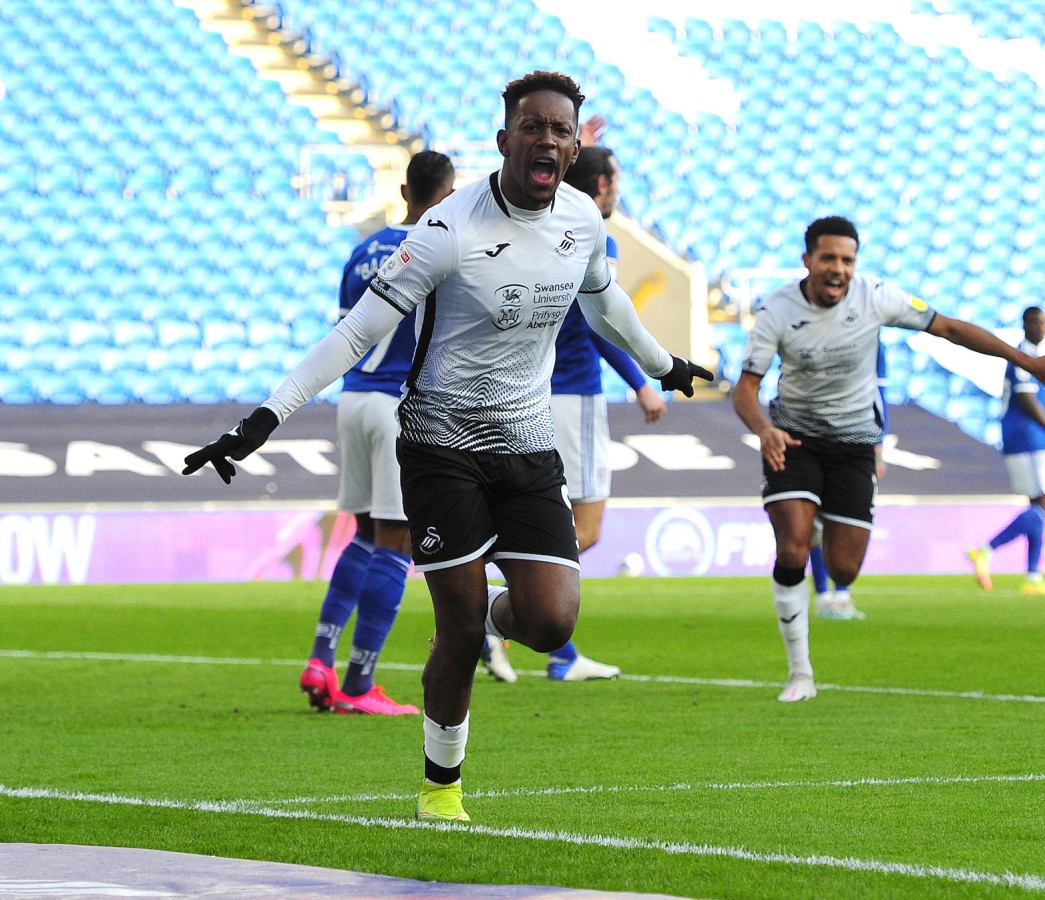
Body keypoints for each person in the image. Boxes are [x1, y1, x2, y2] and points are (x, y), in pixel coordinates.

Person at [183, 72, 713, 822]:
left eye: (561, 130)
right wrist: (265, 419)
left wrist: (664, 365)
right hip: (441, 445)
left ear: (573, 147)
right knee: (457, 631)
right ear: (504, 141)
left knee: (552, 621)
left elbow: (604, 300)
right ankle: (442, 789)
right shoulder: (446, 229)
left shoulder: (581, 221)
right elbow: (356, 332)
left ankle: (484, 618)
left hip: (528, 444)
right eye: (533, 127)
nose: (548, 139)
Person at [733, 215, 1045, 702]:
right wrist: (764, 430)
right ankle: (800, 672)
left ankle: (819, 518)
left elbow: (948, 327)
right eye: (828, 258)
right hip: (794, 439)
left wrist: (1027, 361)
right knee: (792, 549)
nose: (838, 268)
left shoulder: (876, 296)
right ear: (807, 260)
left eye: (847, 260)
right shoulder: (777, 309)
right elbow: (745, 389)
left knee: (845, 569)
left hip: (855, 444)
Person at [298, 150, 456, 716]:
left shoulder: (362, 251)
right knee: (398, 540)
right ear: (444, 197)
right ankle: (360, 683)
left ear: (405, 190)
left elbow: (349, 327)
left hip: (354, 397)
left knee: (364, 533)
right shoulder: (438, 248)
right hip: (397, 406)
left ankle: (322, 658)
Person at [532, 144, 666, 681]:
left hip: (530, 393)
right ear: (603, 186)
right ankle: (498, 609)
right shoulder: (595, 237)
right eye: (617, 181)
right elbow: (599, 320)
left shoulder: (544, 227)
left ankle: (526, 628)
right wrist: (642, 382)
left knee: (546, 520)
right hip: (575, 395)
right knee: (583, 529)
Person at [967, 305, 1045, 596]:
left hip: (1030, 438)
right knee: (1044, 504)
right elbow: (1026, 400)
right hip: (1026, 437)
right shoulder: (1022, 357)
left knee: (1039, 506)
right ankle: (986, 550)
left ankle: (1032, 577)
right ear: (1025, 325)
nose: (1041, 328)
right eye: (1035, 322)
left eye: (1044, 323)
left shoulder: (1035, 358)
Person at [808, 342, 887, 620]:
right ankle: (823, 596)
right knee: (816, 525)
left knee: (843, 521)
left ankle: (841, 595)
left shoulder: (872, 340)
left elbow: (879, 394)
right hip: (815, 438)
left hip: (854, 443)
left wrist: (878, 446)